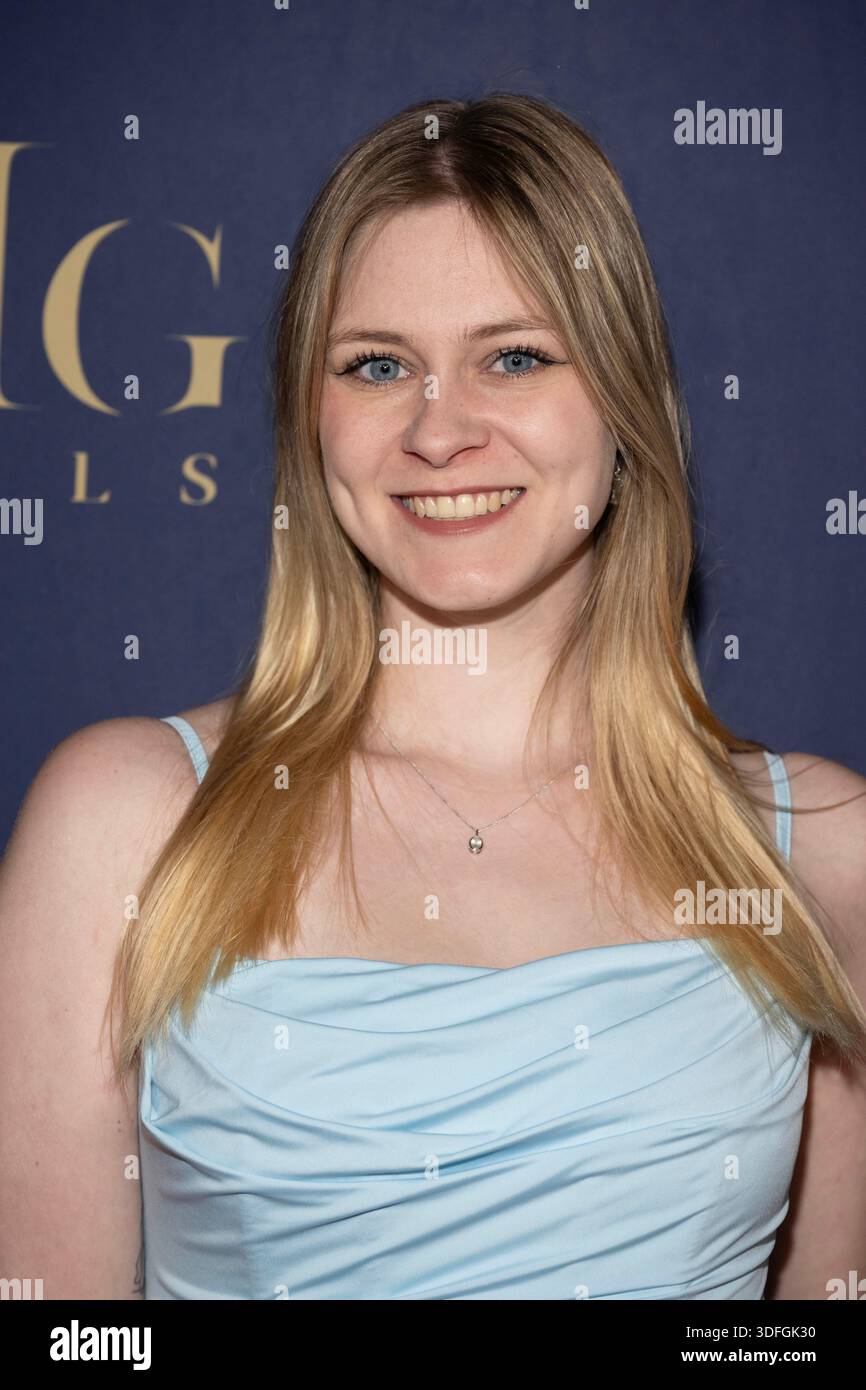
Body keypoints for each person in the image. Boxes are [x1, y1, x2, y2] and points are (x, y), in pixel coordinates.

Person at [1, 93, 864, 1302]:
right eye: (375, 365)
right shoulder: (126, 824)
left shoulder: (814, 852)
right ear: (312, 422)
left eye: (513, 356)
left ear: (620, 404)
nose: (436, 428)